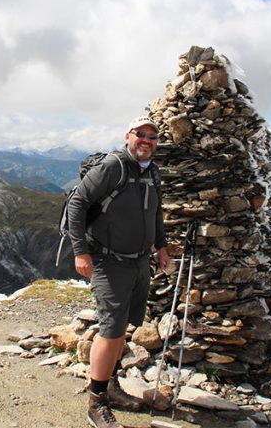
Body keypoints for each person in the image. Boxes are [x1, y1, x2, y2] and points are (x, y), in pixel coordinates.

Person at [67, 116, 170, 428]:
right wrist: (80, 251)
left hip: (139, 261)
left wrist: (161, 246)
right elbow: (77, 204)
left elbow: (156, 211)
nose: (146, 140)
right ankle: (96, 403)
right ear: (128, 136)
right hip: (108, 260)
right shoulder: (114, 166)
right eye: (141, 134)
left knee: (122, 325)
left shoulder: (152, 172)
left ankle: (109, 387)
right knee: (111, 329)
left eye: (152, 136)